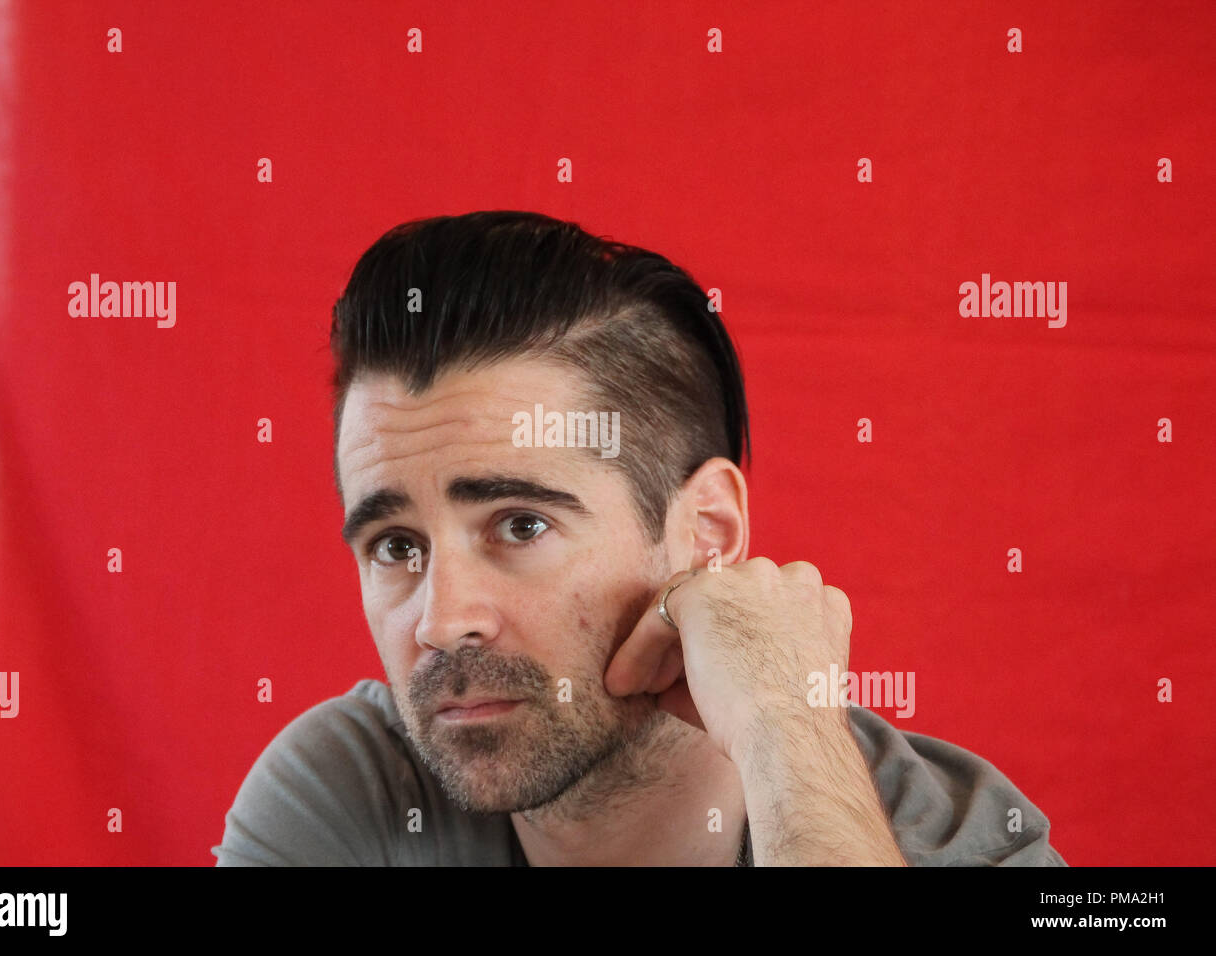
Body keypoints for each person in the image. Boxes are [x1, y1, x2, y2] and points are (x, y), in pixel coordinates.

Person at [212, 210, 1067, 866]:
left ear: (707, 537)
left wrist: (784, 724)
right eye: (398, 545)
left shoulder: (964, 844)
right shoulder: (353, 799)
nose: (441, 621)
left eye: (520, 525)